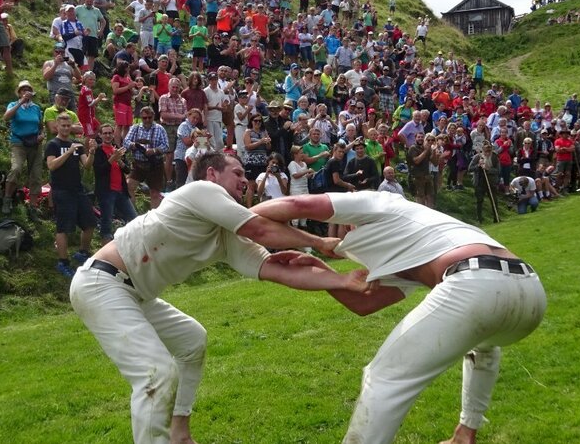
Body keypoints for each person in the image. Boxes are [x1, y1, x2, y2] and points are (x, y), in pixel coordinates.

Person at [70, 151, 369, 444]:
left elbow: (279, 270)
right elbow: (260, 228)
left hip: (136, 295)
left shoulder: (227, 236)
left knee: (191, 340)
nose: (244, 180)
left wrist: (343, 281)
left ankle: (179, 433)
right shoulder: (199, 190)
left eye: (245, 175)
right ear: (212, 174)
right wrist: (318, 241)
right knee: (155, 374)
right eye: (237, 173)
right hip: (101, 283)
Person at [251, 190, 547, 444]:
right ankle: (465, 433)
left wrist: (229, 219)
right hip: (530, 290)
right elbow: (365, 304)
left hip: (475, 280)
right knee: (484, 346)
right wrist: (325, 273)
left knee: (383, 378)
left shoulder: (381, 202)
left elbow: (298, 206)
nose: (341, 236)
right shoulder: (410, 241)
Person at [46, 113, 96, 277]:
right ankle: (63, 262)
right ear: (57, 127)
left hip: (78, 190)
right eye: (63, 126)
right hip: (61, 191)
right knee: (63, 228)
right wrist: (68, 152)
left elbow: (87, 165)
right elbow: (52, 165)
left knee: (89, 223)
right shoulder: (52, 144)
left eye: (69, 126)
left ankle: (82, 253)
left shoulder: (77, 144)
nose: (66, 128)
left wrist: (92, 153)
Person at [2, 81, 45, 219]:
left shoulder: (36, 108)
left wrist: (41, 135)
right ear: (19, 92)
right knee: (16, 168)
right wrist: (20, 103)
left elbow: (40, 125)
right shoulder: (13, 105)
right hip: (18, 142)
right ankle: (7, 199)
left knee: (36, 174)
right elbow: (6, 118)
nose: (26, 92)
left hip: (35, 144)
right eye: (23, 90)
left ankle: (33, 206)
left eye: (28, 89)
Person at [93, 122, 137, 244]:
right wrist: (112, 159)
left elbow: (127, 170)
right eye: (105, 133)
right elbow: (99, 171)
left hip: (121, 191)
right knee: (106, 223)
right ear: (100, 135)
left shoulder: (117, 148)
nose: (108, 135)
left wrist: (120, 162)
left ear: (113, 134)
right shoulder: (98, 151)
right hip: (106, 192)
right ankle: (104, 252)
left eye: (110, 133)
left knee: (134, 219)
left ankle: (132, 244)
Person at [123, 107, 168, 209]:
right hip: (138, 164)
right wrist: (133, 145)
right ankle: (132, 215)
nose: (147, 120)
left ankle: (154, 219)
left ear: (153, 117)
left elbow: (166, 146)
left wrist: (154, 151)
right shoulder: (135, 128)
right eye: (144, 118)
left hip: (155, 165)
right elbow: (125, 142)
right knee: (128, 185)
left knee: (155, 193)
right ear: (141, 118)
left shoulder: (160, 129)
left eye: (149, 117)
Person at [470, 141, 500, 224]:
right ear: (482, 151)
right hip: (479, 181)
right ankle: (479, 219)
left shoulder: (494, 157)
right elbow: (470, 168)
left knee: (494, 199)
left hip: (491, 181)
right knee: (479, 200)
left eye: (489, 151)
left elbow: (498, 171)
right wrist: (478, 166)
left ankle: (496, 217)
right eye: (485, 151)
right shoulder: (477, 157)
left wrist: (488, 169)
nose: (487, 153)